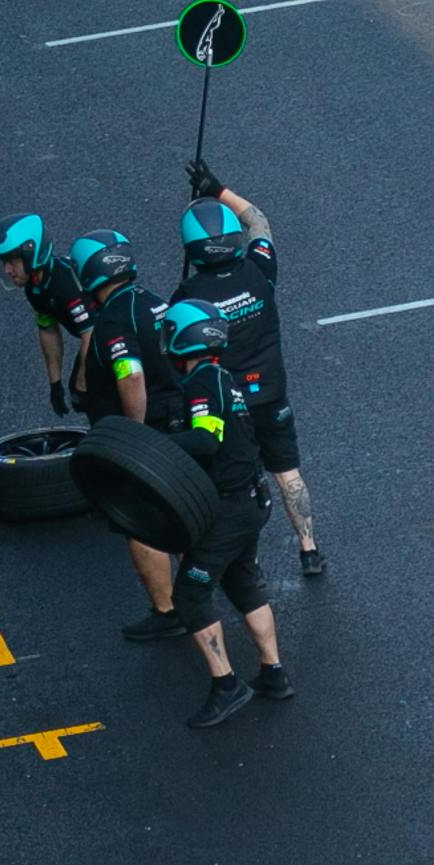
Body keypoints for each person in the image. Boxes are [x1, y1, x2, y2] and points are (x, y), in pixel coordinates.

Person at [175, 163, 322, 575]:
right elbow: (258, 219)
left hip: (228, 402)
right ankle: (309, 550)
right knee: (287, 471)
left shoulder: (189, 297)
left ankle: (249, 562)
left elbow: (177, 348)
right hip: (272, 392)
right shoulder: (260, 269)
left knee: (238, 482)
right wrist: (217, 189)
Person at [155, 301, 290, 727]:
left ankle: (226, 686)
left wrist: (157, 445)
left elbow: (206, 440)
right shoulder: (224, 379)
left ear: (182, 339)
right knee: (243, 580)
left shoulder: (200, 382)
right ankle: (274, 674)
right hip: (251, 500)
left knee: (190, 595)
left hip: (228, 509)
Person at [68, 230, 186, 643]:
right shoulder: (156, 302)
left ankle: (168, 609)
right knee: (188, 504)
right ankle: (201, 590)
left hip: (147, 428)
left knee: (140, 519)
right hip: (184, 417)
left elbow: (129, 374)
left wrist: (134, 439)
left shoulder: (113, 321)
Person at [0, 212, 92, 422]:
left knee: (90, 393)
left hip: (116, 336)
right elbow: (47, 328)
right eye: (3, 263)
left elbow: (92, 333)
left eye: (11, 261)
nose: (7, 270)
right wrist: (55, 383)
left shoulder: (65, 284)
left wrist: (82, 381)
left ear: (30, 254)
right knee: (80, 396)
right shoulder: (34, 288)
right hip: (100, 337)